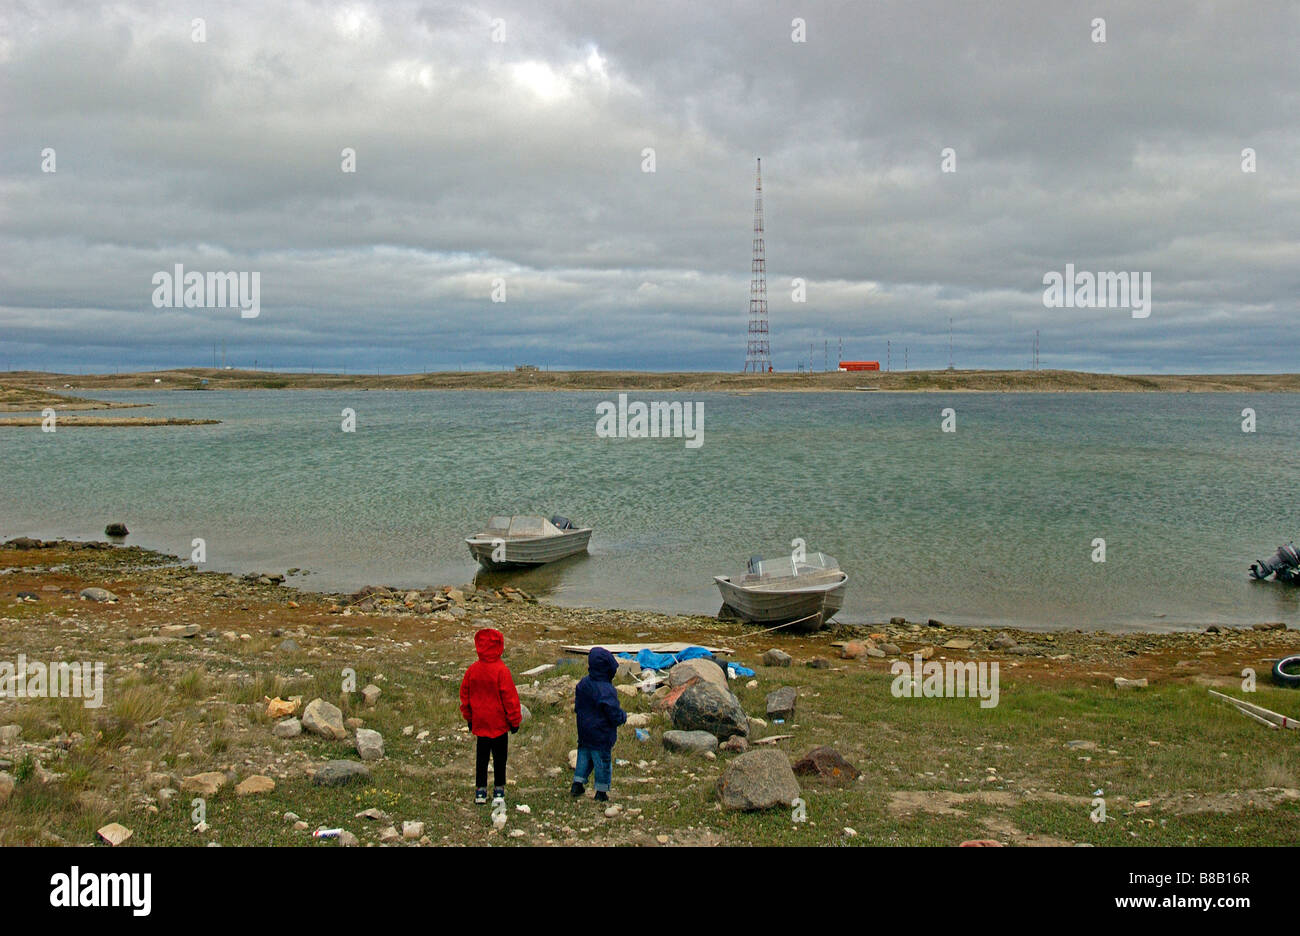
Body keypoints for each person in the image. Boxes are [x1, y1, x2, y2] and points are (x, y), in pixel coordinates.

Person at [459, 627, 522, 804]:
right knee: (500, 758)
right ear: (499, 646)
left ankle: (480, 791)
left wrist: (469, 718)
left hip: (480, 723)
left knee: (482, 758)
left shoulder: (473, 670)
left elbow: (465, 696)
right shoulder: (501, 671)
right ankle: (499, 790)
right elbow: (510, 698)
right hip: (499, 725)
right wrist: (514, 721)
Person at [571, 646, 627, 802]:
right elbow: (612, 711)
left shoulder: (583, 683)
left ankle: (578, 783)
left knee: (584, 758)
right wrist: (622, 717)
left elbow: (578, 705)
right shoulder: (606, 690)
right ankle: (601, 791)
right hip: (601, 734)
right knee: (602, 762)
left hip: (584, 730)